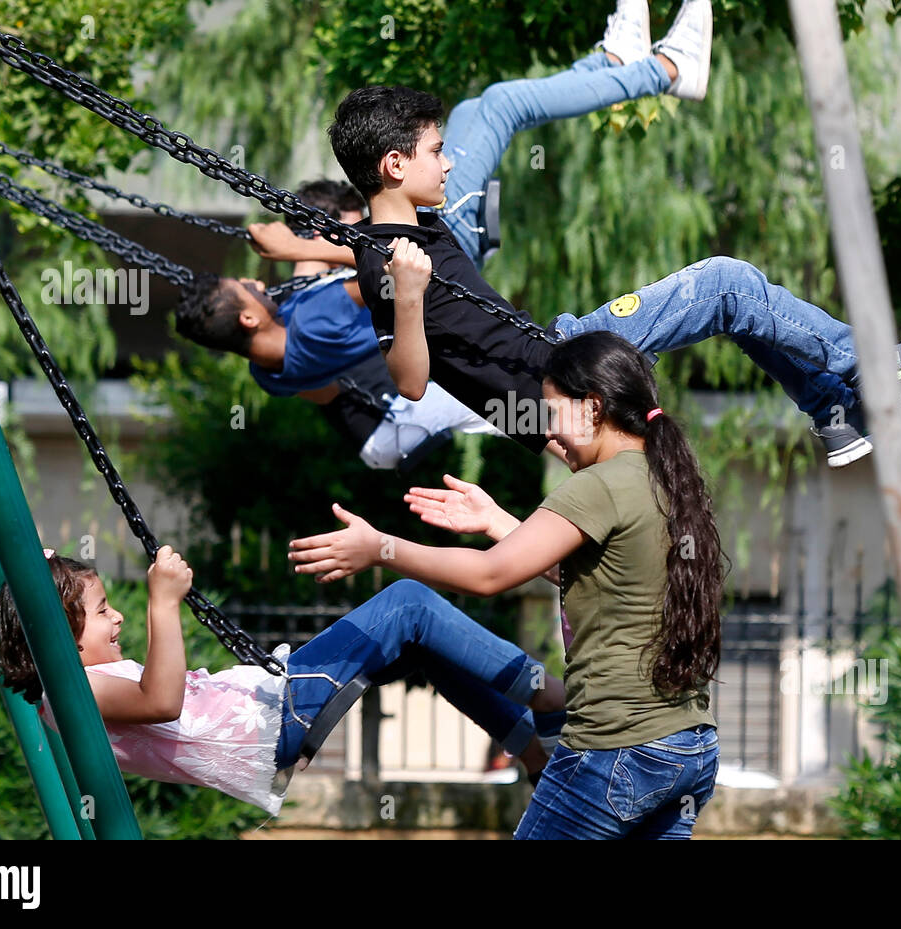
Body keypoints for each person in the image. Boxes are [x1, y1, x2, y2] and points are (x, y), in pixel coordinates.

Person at [324, 20, 901, 467]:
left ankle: (835, 413)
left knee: (492, 109)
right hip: (560, 371)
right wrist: (407, 298)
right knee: (725, 283)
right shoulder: (388, 261)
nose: (448, 165)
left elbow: (479, 128)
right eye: (436, 154)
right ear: (394, 166)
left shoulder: (409, 227)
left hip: (555, 354)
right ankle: (875, 372)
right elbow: (410, 382)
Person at [288, 330, 726, 839]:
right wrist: (497, 520)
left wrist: (382, 548)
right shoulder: (668, 479)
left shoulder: (598, 485)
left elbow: (488, 575)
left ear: (594, 408)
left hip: (615, 751)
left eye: (554, 412)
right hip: (687, 749)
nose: (549, 433)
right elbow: (600, 579)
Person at [0, 546, 566, 815]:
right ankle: (546, 693)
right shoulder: (68, 696)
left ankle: (530, 748)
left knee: (418, 641)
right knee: (408, 605)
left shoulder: (76, 686)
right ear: (59, 637)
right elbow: (162, 700)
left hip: (274, 704)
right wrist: (161, 604)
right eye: (101, 612)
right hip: (276, 719)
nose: (116, 618)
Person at [247, 0, 712, 272]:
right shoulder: (313, 310)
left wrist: (302, 253)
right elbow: (380, 269)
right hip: (444, 239)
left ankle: (612, 61)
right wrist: (298, 249)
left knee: (479, 105)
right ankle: (666, 69)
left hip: (431, 230)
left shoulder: (310, 282)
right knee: (503, 107)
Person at [175, 180, 506, 471]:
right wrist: (296, 247)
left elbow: (326, 393)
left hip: (373, 442)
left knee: (507, 410)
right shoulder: (315, 314)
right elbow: (383, 260)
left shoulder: (265, 374)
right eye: (246, 288)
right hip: (400, 417)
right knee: (512, 399)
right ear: (248, 319)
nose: (255, 283)